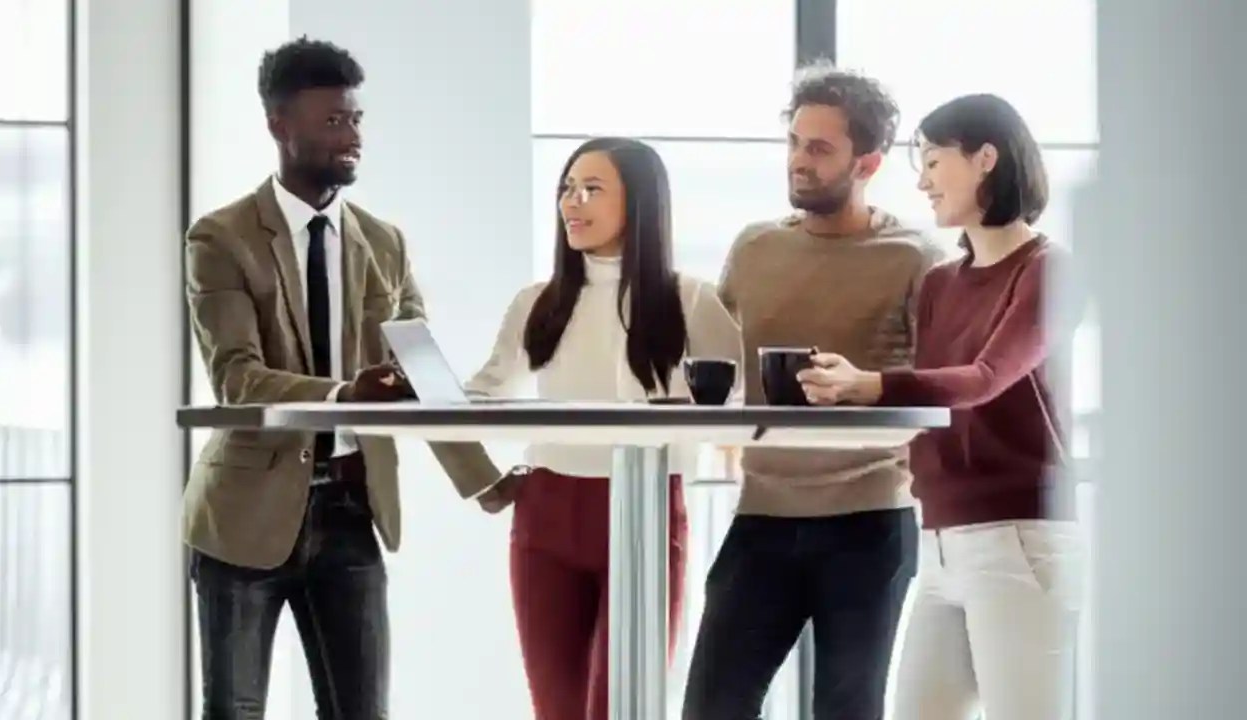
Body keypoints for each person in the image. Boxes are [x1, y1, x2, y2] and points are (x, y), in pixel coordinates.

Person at [183, 37, 505, 719]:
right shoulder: (222, 238)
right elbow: (237, 378)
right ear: (279, 124)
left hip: (352, 512)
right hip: (245, 517)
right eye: (333, 121)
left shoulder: (384, 242)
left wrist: (485, 481)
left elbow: (422, 373)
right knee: (234, 711)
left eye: (356, 119)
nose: (353, 137)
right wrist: (341, 395)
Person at [797, 93, 1083, 719]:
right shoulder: (939, 284)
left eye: (932, 161)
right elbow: (933, 402)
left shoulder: (1048, 270)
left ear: (986, 158)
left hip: (1020, 540)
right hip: (939, 542)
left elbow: (984, 379)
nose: (922, 182)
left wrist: (871, 384)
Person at [681, 61, 941, 720]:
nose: (799, 160)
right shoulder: (755, 247)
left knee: (847, 711)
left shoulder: (914, 256)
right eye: (795, 142)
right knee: (712, 707)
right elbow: (712, 358)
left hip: (869, 521)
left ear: (868, 163)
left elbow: (940, 384)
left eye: (820, 148)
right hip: (762, 514)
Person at [464, 137, 742, 720]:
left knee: (624, 708)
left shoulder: (689, 298)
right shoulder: (537, 301)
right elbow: (481, 393)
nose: (573, 202)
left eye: (592, 189)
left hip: (646, 508)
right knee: (556, 709)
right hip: (546, 510)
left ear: (638, 203)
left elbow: (738, 397)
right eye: (567, 188)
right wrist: (476, 467)